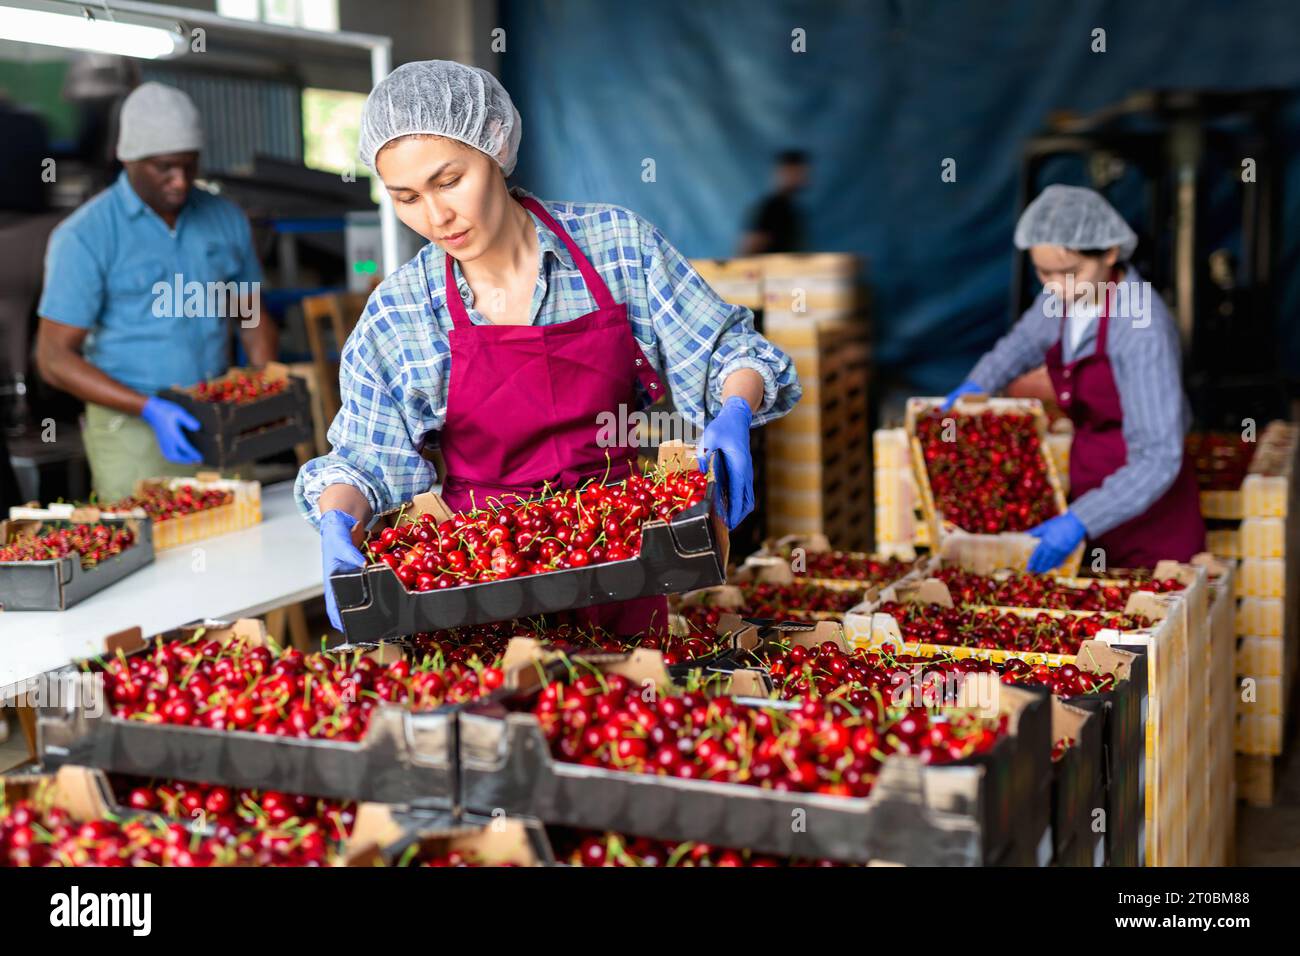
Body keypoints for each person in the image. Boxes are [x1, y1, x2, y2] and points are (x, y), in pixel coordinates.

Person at [297, 60, 802, 633]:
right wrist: (339, 518)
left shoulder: (617, 247)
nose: (436, 217)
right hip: (481, 585)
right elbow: (366, 461)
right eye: (406, 197)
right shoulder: (401, 313)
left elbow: (726, 353)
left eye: (449, 181)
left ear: (495, 147)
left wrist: (735, 408)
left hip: (623, 559)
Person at [945, 184, 1205, 572]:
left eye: (1069, 273)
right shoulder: (1061, 298)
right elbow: (1020, 345)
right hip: (1089, 488)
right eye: (1043, 272)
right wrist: (978, 384)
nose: (1055, 286)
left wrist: (1080, 521)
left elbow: (1158, 458)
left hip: (1149, 518)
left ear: (1111, 252)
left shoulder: (1140, 326)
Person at [34, 83, 274, 501]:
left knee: (237, 546)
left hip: (219, 423)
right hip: (132, 433)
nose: (180, 181)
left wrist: (260, 391)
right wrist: (149, 409)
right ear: (127, 158)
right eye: (164, 167)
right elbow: (53, 359)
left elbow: (251, 320)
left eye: (189, 165)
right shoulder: (85, 236)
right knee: (151, 550)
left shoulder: (224, 218)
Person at [739, 149, 809, 255]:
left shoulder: (792, 208)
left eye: (803, 172)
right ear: (782, 173)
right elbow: (748, 249)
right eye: (797, 172)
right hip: (771, 270)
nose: (802, 177)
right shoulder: (772, 208)